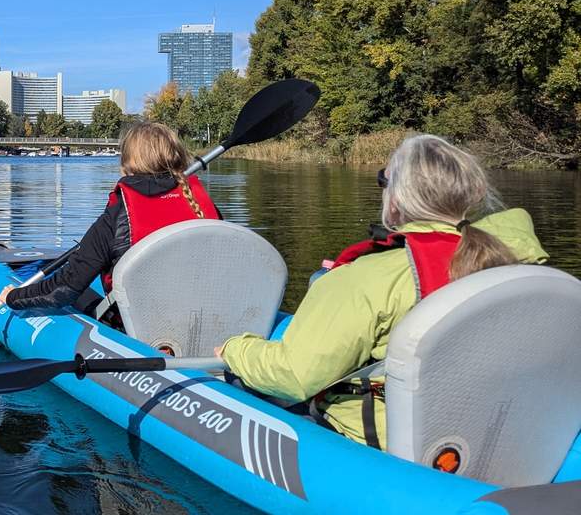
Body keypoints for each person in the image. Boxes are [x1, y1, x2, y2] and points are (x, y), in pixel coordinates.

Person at [217, 134, 548, 449]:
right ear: (471, 192)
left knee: (237, 384)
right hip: (485, 425)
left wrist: (234, 350)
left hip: (383, 440)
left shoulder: (365, 278)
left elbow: (294, 376)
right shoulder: (513, 259)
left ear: (396, 200)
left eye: (382, 181)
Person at [0, 121, 220, 321]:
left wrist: (14, 297)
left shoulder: (115, 217)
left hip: (139, 326)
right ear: (178, 157)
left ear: (127, 163)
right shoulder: (204, 205)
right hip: (204, 315)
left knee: (82, 292)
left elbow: (64, 289)